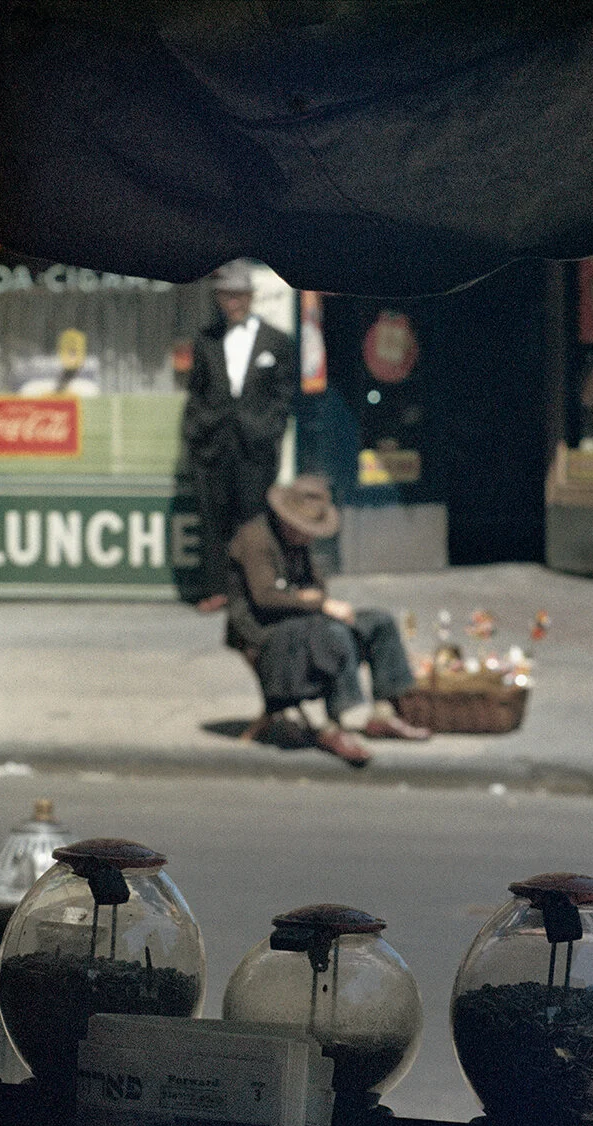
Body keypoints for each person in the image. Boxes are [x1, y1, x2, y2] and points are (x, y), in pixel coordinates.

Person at [225, 475, 431, 767]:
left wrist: (316, 600)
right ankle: (336, 724)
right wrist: (316, 602)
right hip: (263, 629)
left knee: (378, 622)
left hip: (305, 620)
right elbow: (265, 597)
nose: (309, 537)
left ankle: (384, 714)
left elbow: (318, 587)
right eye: (304, 530)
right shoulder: (255, 539)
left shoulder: (298, 542)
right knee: (334, 634)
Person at [182, 259, 295, 613]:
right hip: (215, 444)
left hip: (255, 447)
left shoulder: (276, 341)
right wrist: (197, 431)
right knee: (213, 517)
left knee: (254, 518)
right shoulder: (206, 340)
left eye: (237, 295)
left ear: (250, 297)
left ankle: (256, 587)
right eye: (224, 296)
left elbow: (284, 396)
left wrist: (269, 429)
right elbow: (197, 391)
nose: (231, 302)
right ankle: (216, 589)